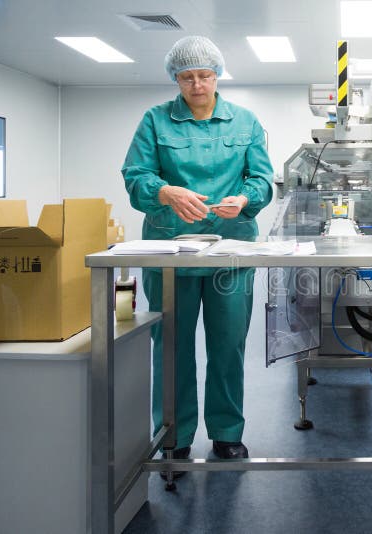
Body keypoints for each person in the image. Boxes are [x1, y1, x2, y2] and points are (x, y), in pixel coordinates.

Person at [122, 36, 274, 469]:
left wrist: (244, 200)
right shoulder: (155, 121)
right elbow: (135, 176)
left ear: (218, 75)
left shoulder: (244, 121)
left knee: (228, 345)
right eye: (187, 77)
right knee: (171, 346)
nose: (197, 85)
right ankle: (174, 432)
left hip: (230, 249)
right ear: (175, 78)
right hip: (170, 251)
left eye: (204, 75)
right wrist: (166, 191)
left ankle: (227, 432)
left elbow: (261, 179)